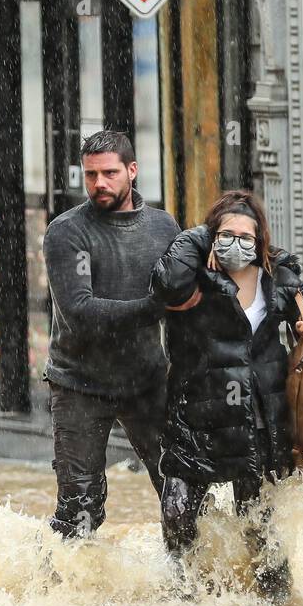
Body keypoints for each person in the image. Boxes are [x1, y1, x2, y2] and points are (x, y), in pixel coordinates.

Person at [150, 188, 303, 603]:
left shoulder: (278, 276)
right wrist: (198, 240)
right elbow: (166, 285)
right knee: (178, 517)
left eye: (246, 236)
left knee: (261, 529)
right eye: (226, 234)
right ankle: (186, 602)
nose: (236, 243)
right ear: (212, 235)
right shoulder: (193, 269)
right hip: (194, 422)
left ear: (260, 241)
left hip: (259, 424)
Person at [43, 130, 184, 538]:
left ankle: (192, 592)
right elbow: (80, 311)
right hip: (79, 385)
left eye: (109, 173)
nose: (99, 184)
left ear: (132, 171)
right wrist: (154, 306)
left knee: (182, 490)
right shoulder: (67, 232)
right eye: (90, 175)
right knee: (79, 510)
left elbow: (188, 301)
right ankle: (67, 595)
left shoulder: (163, 227)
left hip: (147, 381)